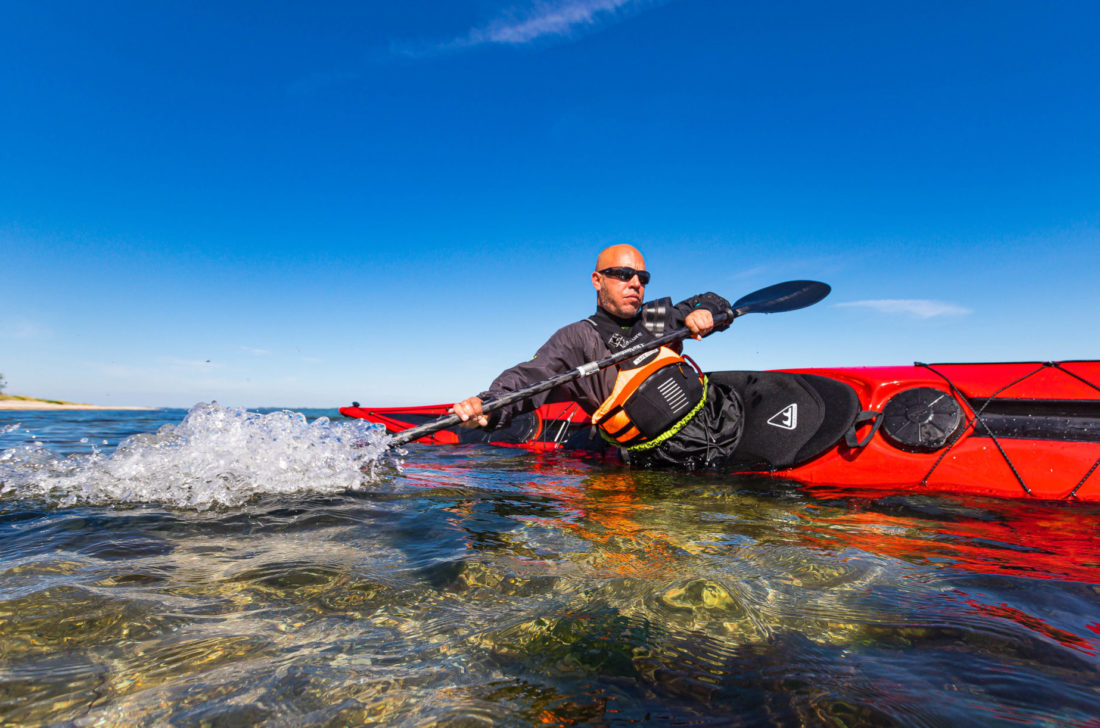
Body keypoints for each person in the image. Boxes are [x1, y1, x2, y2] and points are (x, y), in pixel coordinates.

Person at [451, 244, 746, 470]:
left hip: (718, 422)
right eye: (622, 274)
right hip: (656, 461)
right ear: (597, 280)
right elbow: (527, 378)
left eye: (642, 277)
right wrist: (488, 407)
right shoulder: (577, 338)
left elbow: (708, 299)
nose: (635, 283)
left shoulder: (657, 318)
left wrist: (707, 311)